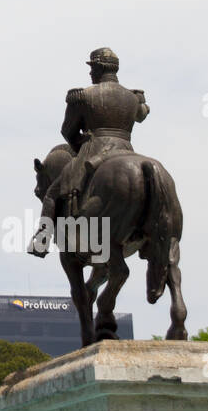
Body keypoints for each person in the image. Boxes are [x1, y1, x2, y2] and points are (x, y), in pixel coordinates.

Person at [28, 48, 148, 257]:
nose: (90, 73)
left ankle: (42, 239)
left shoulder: (83, 96)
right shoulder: (131, 97)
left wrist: (78, 145)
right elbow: (141, 115)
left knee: (51, 194)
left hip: (94, 150)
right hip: (126, 150)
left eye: (92, 68)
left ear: (99, 68)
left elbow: (67, 131)